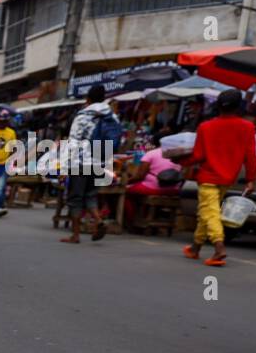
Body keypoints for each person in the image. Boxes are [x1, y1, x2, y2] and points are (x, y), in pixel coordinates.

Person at [182, 88, 256, 266]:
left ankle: (219, 247)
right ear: (239, 106)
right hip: (227, 177)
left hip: (208, 176)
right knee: (208, 211)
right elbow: (250, 157)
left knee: (210, 212)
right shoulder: (247, 127)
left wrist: (181, 160)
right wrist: (250, 179)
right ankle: (195, 247)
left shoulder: (205, 127)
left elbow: (198, 156)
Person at [60, 84, 123, 244]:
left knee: (75, 198)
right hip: (100, 162)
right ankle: (99, 220)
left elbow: (73, 142)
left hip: (80, 162)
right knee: (91, 195)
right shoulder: (112, 116)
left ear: (87, 99)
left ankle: (75, 235)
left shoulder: (82, 116)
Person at [123, 142, 188, 225]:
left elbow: (140, 176)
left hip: (153, 188)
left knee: (126, 192)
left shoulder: (151, 153)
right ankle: (148, 217)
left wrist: (126, 182)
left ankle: (131, 220)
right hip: (174, 189)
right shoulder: (178, 154)